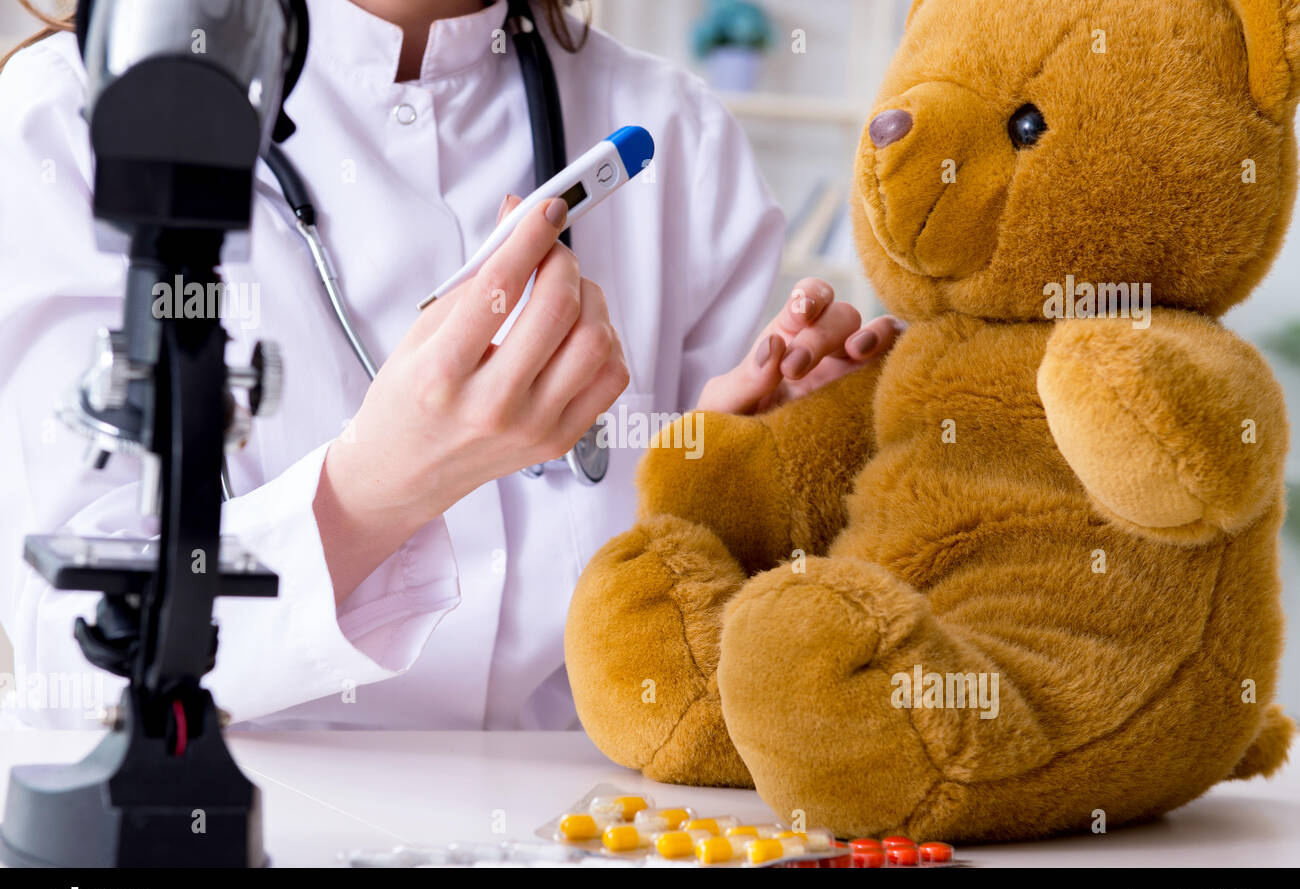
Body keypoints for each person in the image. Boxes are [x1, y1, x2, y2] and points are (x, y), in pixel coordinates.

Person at [0, 0, 899, 730]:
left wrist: (756, 472)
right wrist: (374, 488)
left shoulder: (678, 134)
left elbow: (730, 641)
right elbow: (69, 657)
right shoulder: (79, 113)